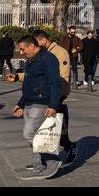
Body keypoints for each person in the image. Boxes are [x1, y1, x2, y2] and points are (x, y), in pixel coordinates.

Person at [12, 35, 63, 179]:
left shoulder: (48, 59)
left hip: (41, 102)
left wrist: (53, 105)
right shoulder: (31, 60)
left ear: (32, 47)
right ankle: (38, 164)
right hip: (29, 102)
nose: (21, 52)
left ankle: (53, 159)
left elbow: (55, 83)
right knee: (35, 134)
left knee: (29, 134)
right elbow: (28, 84)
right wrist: (20, 103)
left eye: (22, 49)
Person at [34, 30, 76, 164]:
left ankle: (68, 147)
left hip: (57, 92)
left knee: (54, 124)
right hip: (46, 92)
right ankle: (45, 156)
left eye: (37, 42)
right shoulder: (43, 53)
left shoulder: (60, 52)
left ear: (43, 40)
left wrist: (58, 96)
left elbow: (63, 77)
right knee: (51, 124)